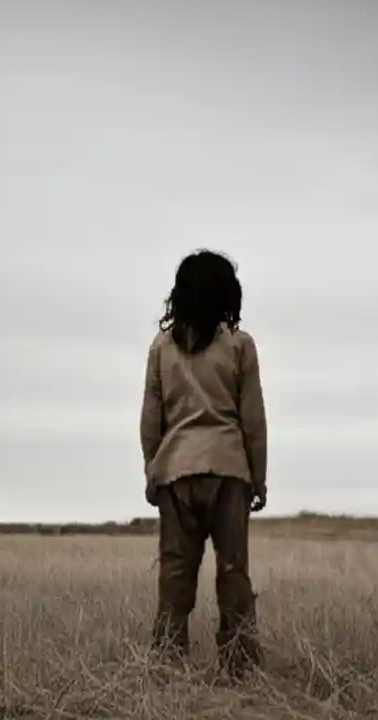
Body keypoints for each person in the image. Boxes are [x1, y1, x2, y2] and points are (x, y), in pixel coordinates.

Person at [139, 249, 267, 679]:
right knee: (233, 574)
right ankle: (239, 665)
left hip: (176, 472)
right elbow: (252, 421)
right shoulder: (240, 346)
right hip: (229, 471)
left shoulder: (160, 348)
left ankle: (168, 664)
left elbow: (150, 418)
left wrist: (152, 470)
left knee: (175, 575)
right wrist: (259, 480)